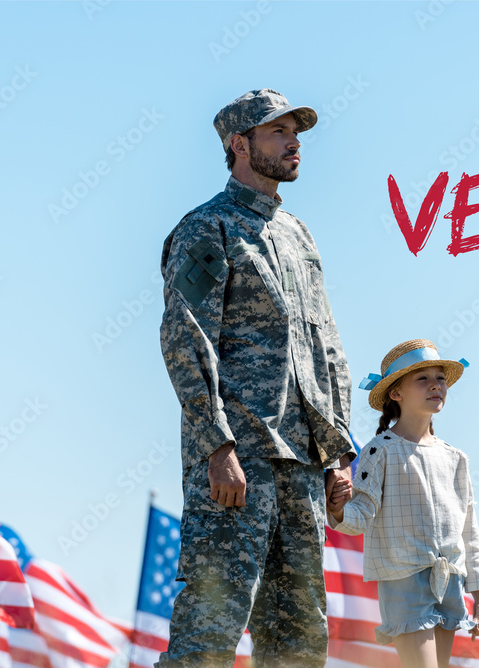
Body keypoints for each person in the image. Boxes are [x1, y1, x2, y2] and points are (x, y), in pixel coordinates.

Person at [157, 88, 356, 668]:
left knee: (298, 636)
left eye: (296, 132)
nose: (294, 143)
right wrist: (216, 445)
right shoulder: (205, 229)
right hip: (236, 460)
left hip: (303, 463)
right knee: (209, 630)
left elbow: (326, 348)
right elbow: (185, 339)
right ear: (239, 145)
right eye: (278, 133)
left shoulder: (298, 236)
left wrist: (338, 453)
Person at [328, 339, 479, 668]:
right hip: (403, 579)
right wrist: (338, 509)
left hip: (451, 581)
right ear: (395, 393)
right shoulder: (380, 450)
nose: (435, 385)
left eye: (440, 378)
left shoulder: (456, 458)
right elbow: (360, 515)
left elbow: (469, 532)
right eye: (422, 378)